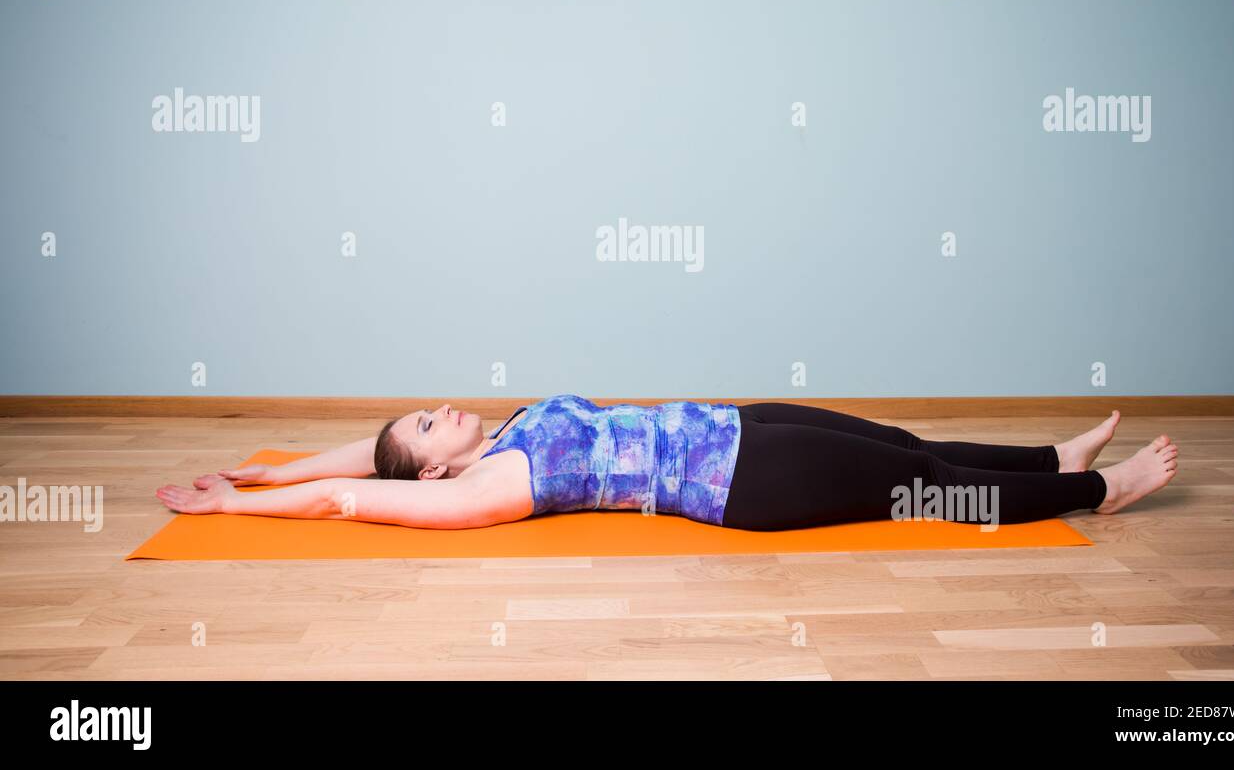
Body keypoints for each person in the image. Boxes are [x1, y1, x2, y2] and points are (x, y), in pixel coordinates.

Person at [156, 394, 1178, 530]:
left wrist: (264, 466)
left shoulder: (504, 428)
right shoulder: (484, 485)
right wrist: (236, 512)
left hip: (737, 422)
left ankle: (1053, 452)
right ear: (430, 470)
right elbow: (351, 491)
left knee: (902, 443)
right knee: (922, 490)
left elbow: (343, 457)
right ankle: (1101, 487)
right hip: (742, 483)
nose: (440, 411)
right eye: (427, 427)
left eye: (427, 412)